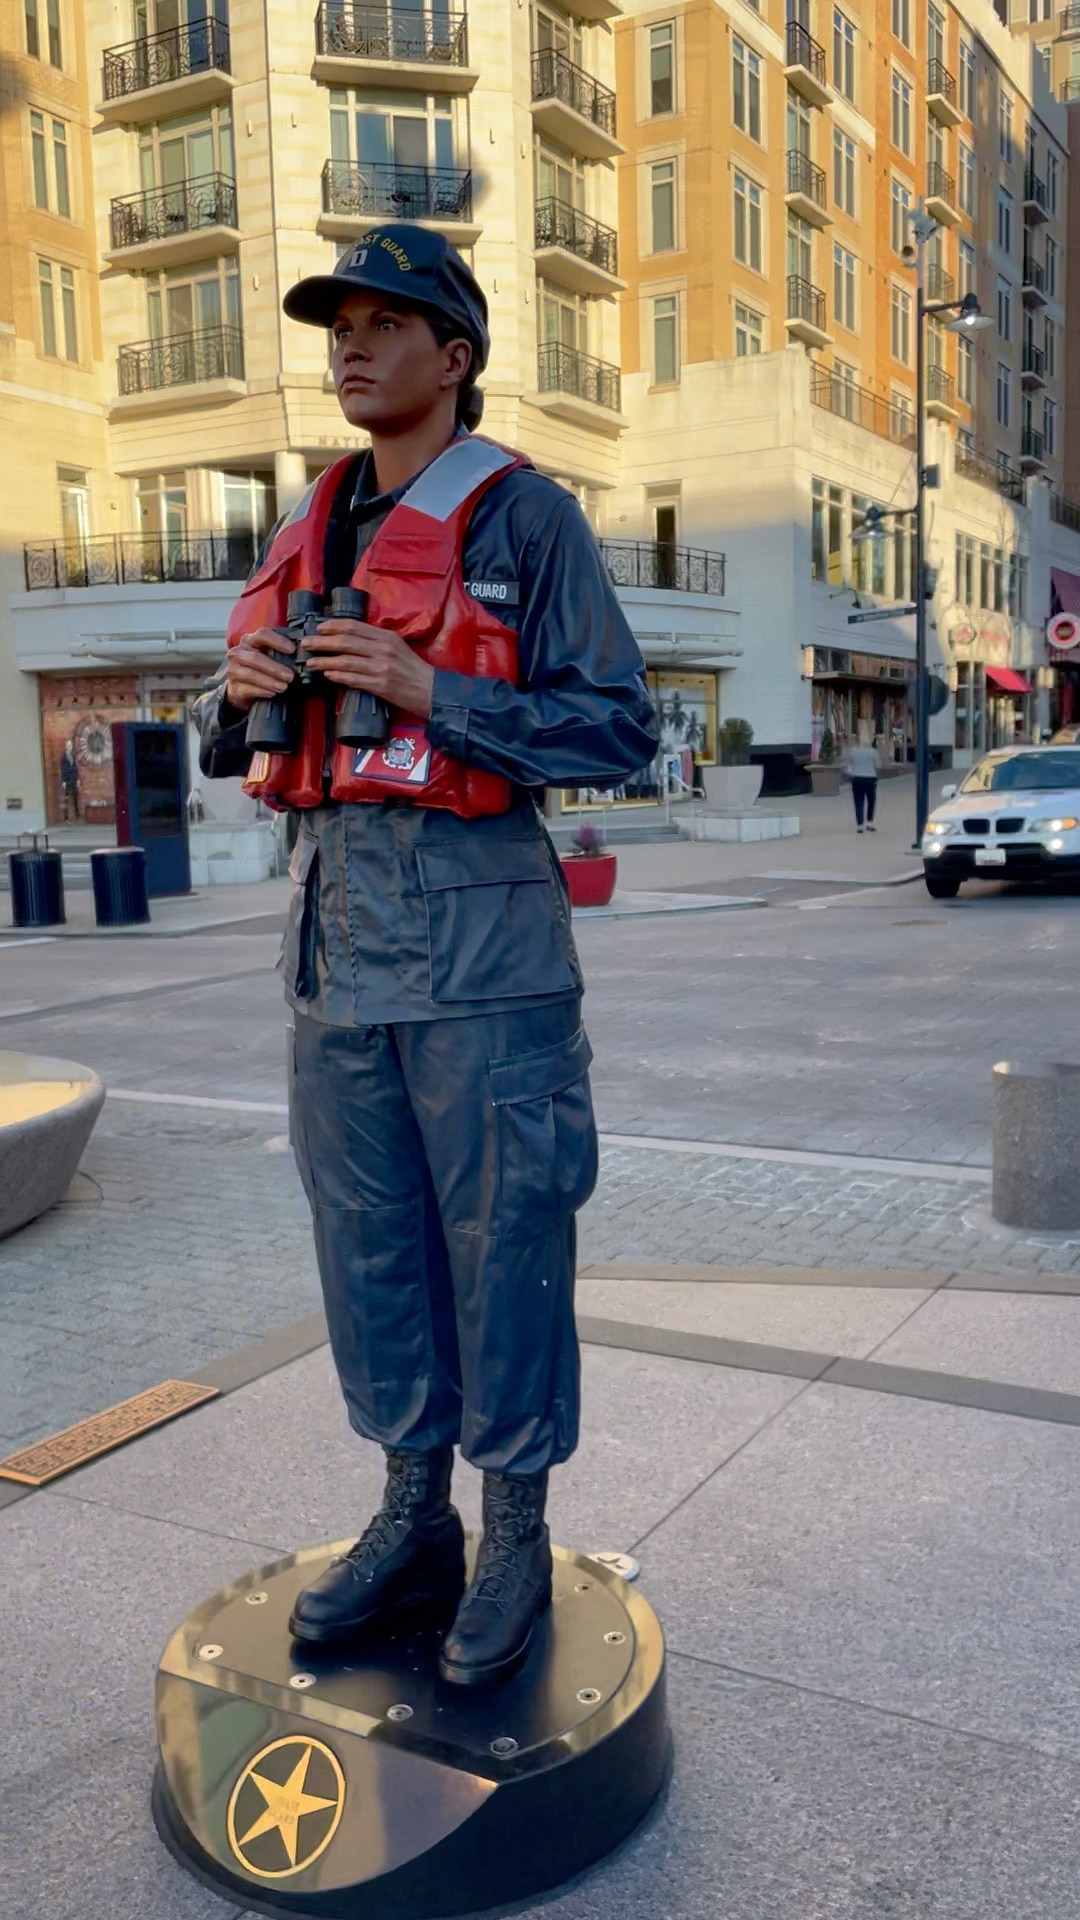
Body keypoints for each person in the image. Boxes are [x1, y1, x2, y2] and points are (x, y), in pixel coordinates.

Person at [195, 226, 659, 1688]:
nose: (351, 344)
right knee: (372, 1245)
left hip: (483, 934)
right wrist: (238, 693)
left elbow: (618, 730)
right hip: (336, 933)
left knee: (506, 1237)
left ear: (453, 357)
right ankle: (414, 1513)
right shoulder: (304, 530)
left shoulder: (529, 523)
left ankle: (512, 1527)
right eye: (339, 323)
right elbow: (236, 746)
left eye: (387, 323)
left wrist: (432, 688)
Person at [844, 734, 880, 832]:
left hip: (857, 778)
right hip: (870, 778)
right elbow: (878, 765)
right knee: (871, 801)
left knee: (859, 801)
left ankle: (860, 825)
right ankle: (869, 823)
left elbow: (848, 765)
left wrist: (852, 774)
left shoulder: (853, 752)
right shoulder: (873, 752)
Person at [59, 741, 79, 822]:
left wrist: (77, 779)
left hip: (73, 779)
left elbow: (75, 768)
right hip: (67, 780)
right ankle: (66, 817)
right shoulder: (63, 758)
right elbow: (63, 770)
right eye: (68, 745)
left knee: (75, 798)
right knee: (66, 799)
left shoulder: (73, 756)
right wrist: (63, 781)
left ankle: (77, 816)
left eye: (71, 745)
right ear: (66, 746)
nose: (70, 747)